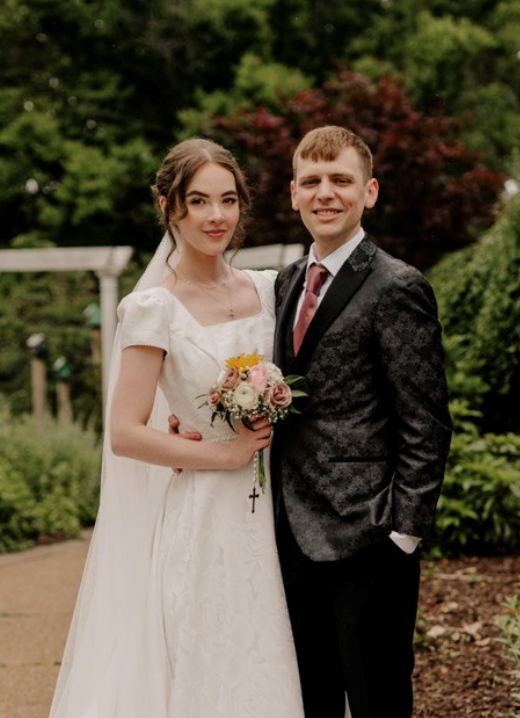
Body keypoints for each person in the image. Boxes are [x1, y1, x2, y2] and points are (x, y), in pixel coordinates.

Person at [49, 138, 305, 718]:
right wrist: (226, 453)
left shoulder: (268, 290)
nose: (216, 216)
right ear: (170, 208)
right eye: (199, 201)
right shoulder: (152, 309)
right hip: (205, 513)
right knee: (211, 658)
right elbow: (124, 432)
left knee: (279, 651)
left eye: (228, 200)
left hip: (281, 508)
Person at [271, 125, 452, 718]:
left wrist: (404, 533)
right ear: (293, 194)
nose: (326, 193)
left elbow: (426, 422)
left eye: (341, 180)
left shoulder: (397, 286)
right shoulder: (286, 283)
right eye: (312, 181)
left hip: (370, 538)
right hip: (288, 534)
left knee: (378, 700)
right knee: (311, 700)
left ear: (369, 192)